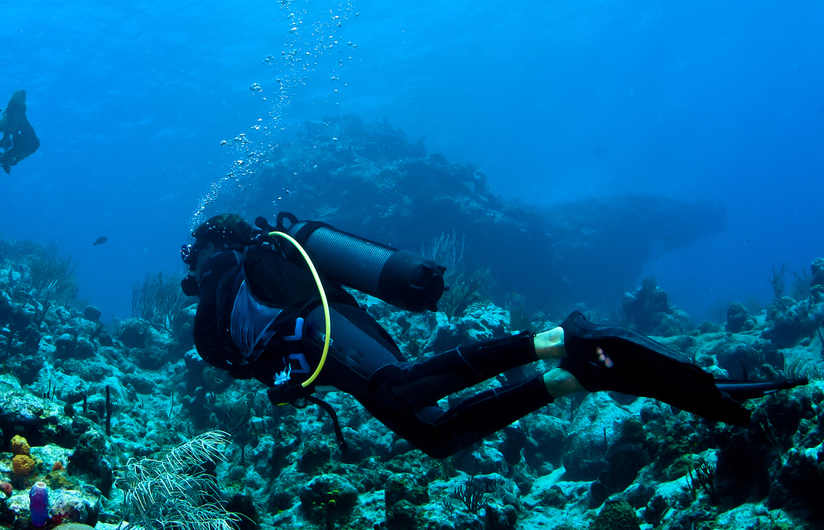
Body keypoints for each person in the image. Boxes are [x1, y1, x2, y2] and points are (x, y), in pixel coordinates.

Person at [181, 214, 804, 458]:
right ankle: (572, 374)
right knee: (432, 434)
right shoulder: (226, 289)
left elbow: (215, 342)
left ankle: (559, 337)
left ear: (214, 243)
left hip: (317, 330)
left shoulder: (241, 264)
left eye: (196, 253)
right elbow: (234, 354)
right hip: (308, 356)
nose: (192, 266)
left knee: (402, 390)